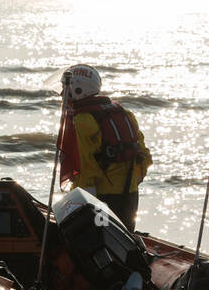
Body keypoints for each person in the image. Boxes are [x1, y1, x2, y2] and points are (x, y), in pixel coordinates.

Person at [57, 64, 152, 230]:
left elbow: (87, 169)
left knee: (100, 241)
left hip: (101, 198)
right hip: (130, 194)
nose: (63, 94)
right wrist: (132, 182)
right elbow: (144, 155)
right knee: (124, 239)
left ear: (78, 90)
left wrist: (85, 203)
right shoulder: (124, 113)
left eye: (65, 89)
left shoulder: (82, 121)